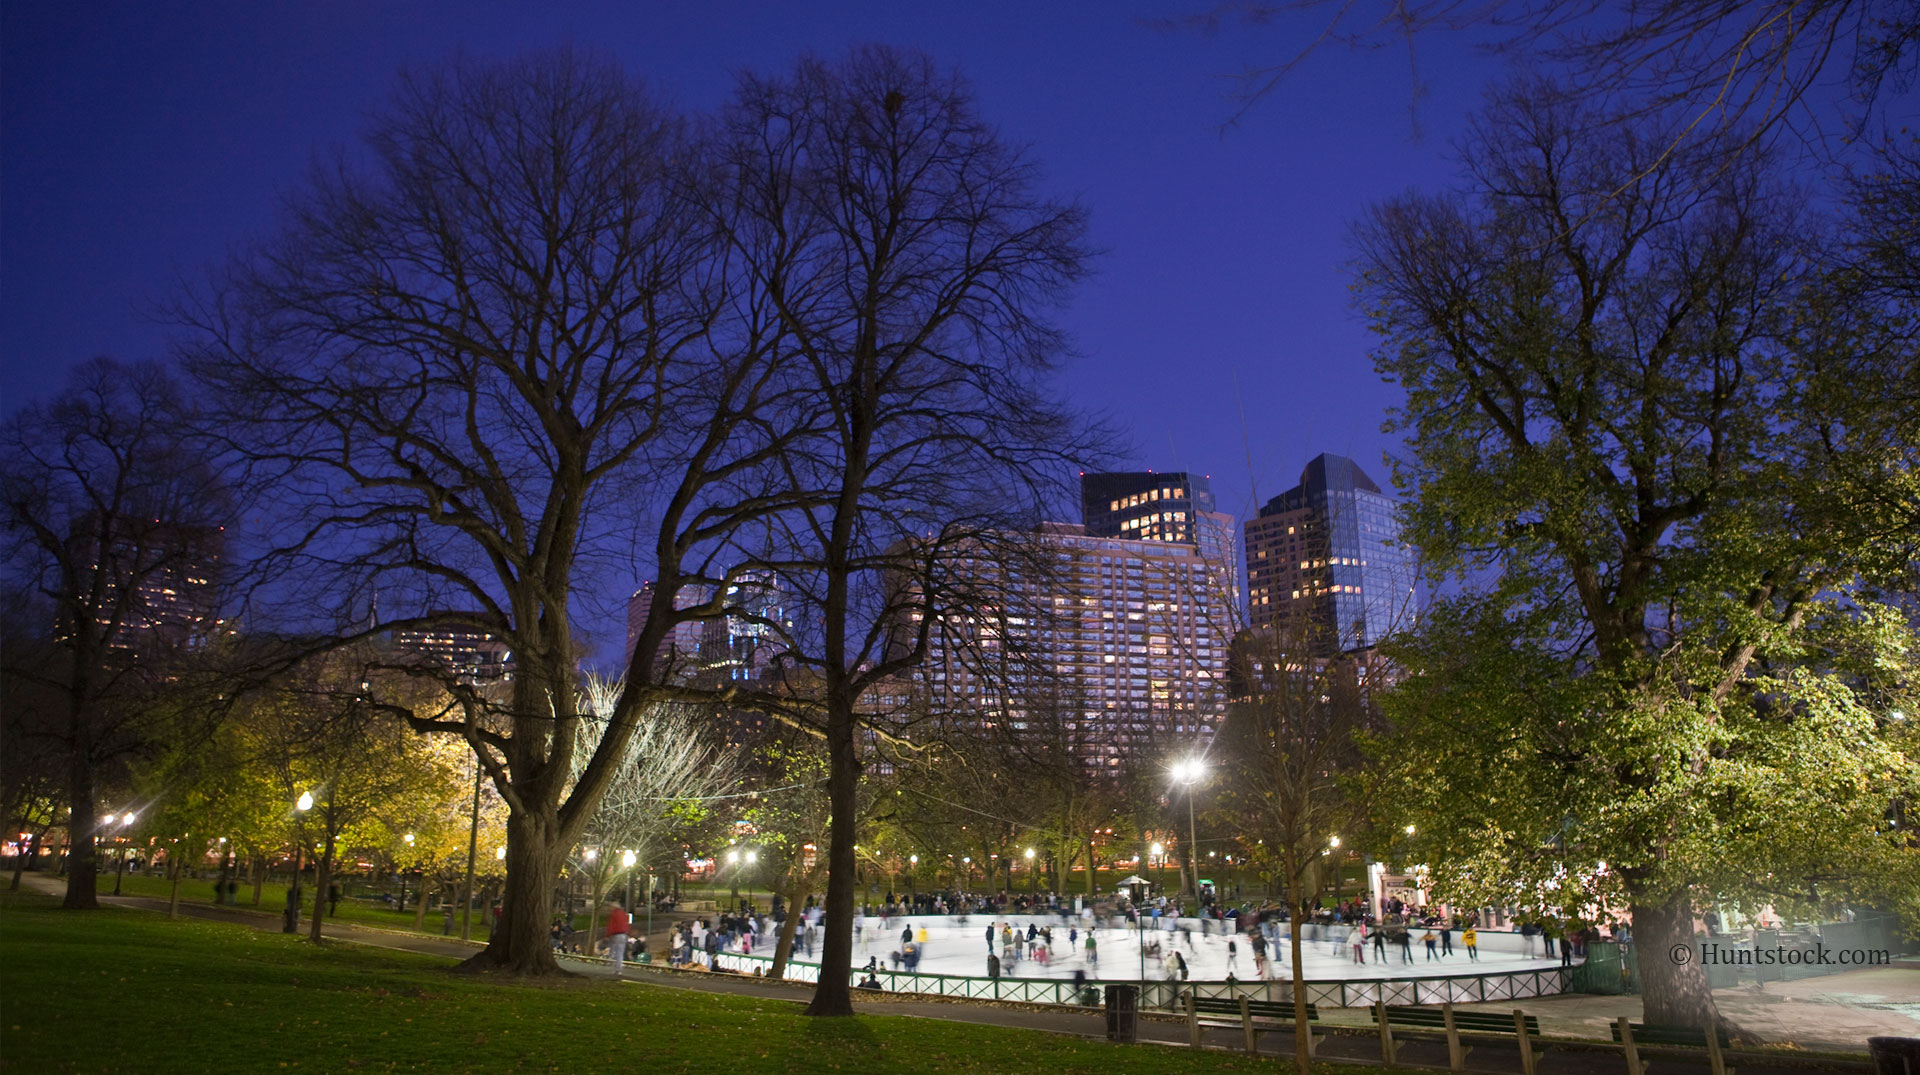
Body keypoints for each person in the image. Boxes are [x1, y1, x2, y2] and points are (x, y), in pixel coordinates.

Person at [605, 900, 631, 977]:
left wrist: (607, 935)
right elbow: (627, 924)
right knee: (620, 953)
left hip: (615, 935)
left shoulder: (613, 914)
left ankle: (613, 968)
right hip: (623, 935)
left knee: (613, 952)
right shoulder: (623, 913)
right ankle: (618, 970)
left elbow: (611, 925)